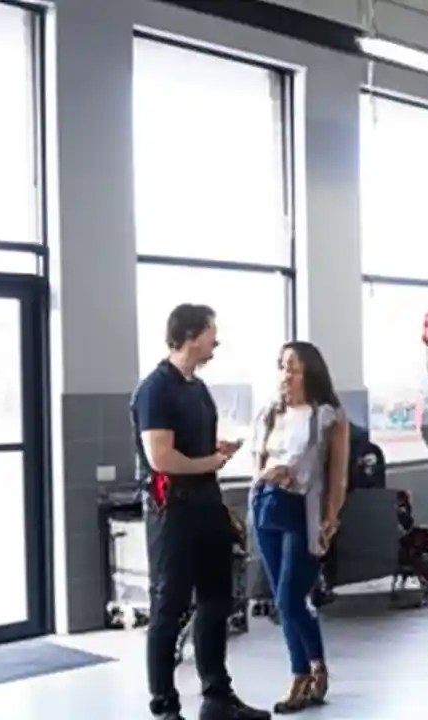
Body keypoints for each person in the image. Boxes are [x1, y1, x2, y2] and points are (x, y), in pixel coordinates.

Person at [132, 303, 270, 720]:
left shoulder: (198, 388)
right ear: (190, 336)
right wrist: (209, 462)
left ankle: (217, 697)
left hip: (206, 504)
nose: (216, 340)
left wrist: (216, 451)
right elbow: (160, 457)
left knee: (216, 600)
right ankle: (165, 706)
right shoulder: (156, 389)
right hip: (172, 511)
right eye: (211, 332)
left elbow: (192, 447)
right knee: (169, 605)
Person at [248, 341, 350, 714]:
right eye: (281, 366)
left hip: (303, 510)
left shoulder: (328, 417)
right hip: (267, 505)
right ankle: (316, 667)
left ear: (310, 373)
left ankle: (300, 674)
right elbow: (257, 464)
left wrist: (331, 517)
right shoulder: (268, 414)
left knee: (289, 599)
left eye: (292, 367)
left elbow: (337, 475)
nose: (285, 375)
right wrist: (267, 475)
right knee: (286, 599)